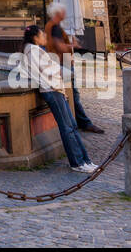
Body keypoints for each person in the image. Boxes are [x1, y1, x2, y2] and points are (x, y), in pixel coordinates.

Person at [17, 25, 96, 173]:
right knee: (67, 127)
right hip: (51, 90)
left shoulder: (35, 50)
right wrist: (58, 68)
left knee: (71, 125)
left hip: (55, 89)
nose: (45, 37)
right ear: (35, 37)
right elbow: (46, 70)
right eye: (43, 35)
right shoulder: (33, 51)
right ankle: (77, 162)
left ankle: (85, 160)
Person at [45, 3, 104, 134]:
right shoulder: (54, 27)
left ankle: (79, 121)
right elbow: (59, 47)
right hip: (62, 64)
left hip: (61, 63)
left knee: (71, 95)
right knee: (74, 95)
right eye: (63, 12)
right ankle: (84, 123)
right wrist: (73, 45)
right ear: (58, 14)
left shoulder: (53, 26)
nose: (65, 14)